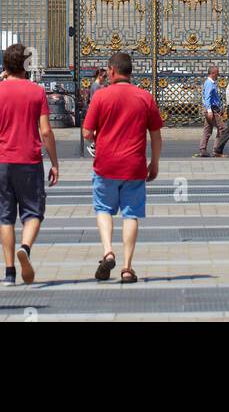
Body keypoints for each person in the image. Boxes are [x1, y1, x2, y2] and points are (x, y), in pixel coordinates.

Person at [0, 43, 59, 288]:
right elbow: (45, 131)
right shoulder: (37, 92)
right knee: (34, 213)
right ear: (26, 64)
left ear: (5, 65)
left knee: (6, 219)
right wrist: (55, 163)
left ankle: (9, 273)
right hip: (30, 161)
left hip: (3, 161)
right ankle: (25, 247)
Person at [82, 50, 163, 284]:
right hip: (134, 166)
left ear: (112, 71)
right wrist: (154, 163)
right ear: (130, 72)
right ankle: (127, 268)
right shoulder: (145, 97)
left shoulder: (101, 97)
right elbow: (156, 135)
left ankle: (108, 251)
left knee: (104, 209)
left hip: (105, 165)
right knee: (131, 215)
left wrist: (99, 135)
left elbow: (87, 133)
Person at [197, 64, 223, 157]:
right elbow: (207, 97)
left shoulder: (211, 83)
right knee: (222, 128)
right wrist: (209, 111)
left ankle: (203, 150)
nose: (218, 74)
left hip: (212, 109)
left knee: (207, 129)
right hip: (212, 109)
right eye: (217, 73)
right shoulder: (209, 83)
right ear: (212, 73)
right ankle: (216, 150)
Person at [85, 68, 108, 156]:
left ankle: (95, 146)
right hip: (97, 110)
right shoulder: (96, 86)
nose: (105, 78)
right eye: (104, 76)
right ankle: (93, 146)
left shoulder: (98, 85)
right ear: (99, 76)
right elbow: (96, 100)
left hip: (97, 110)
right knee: (98, 129)